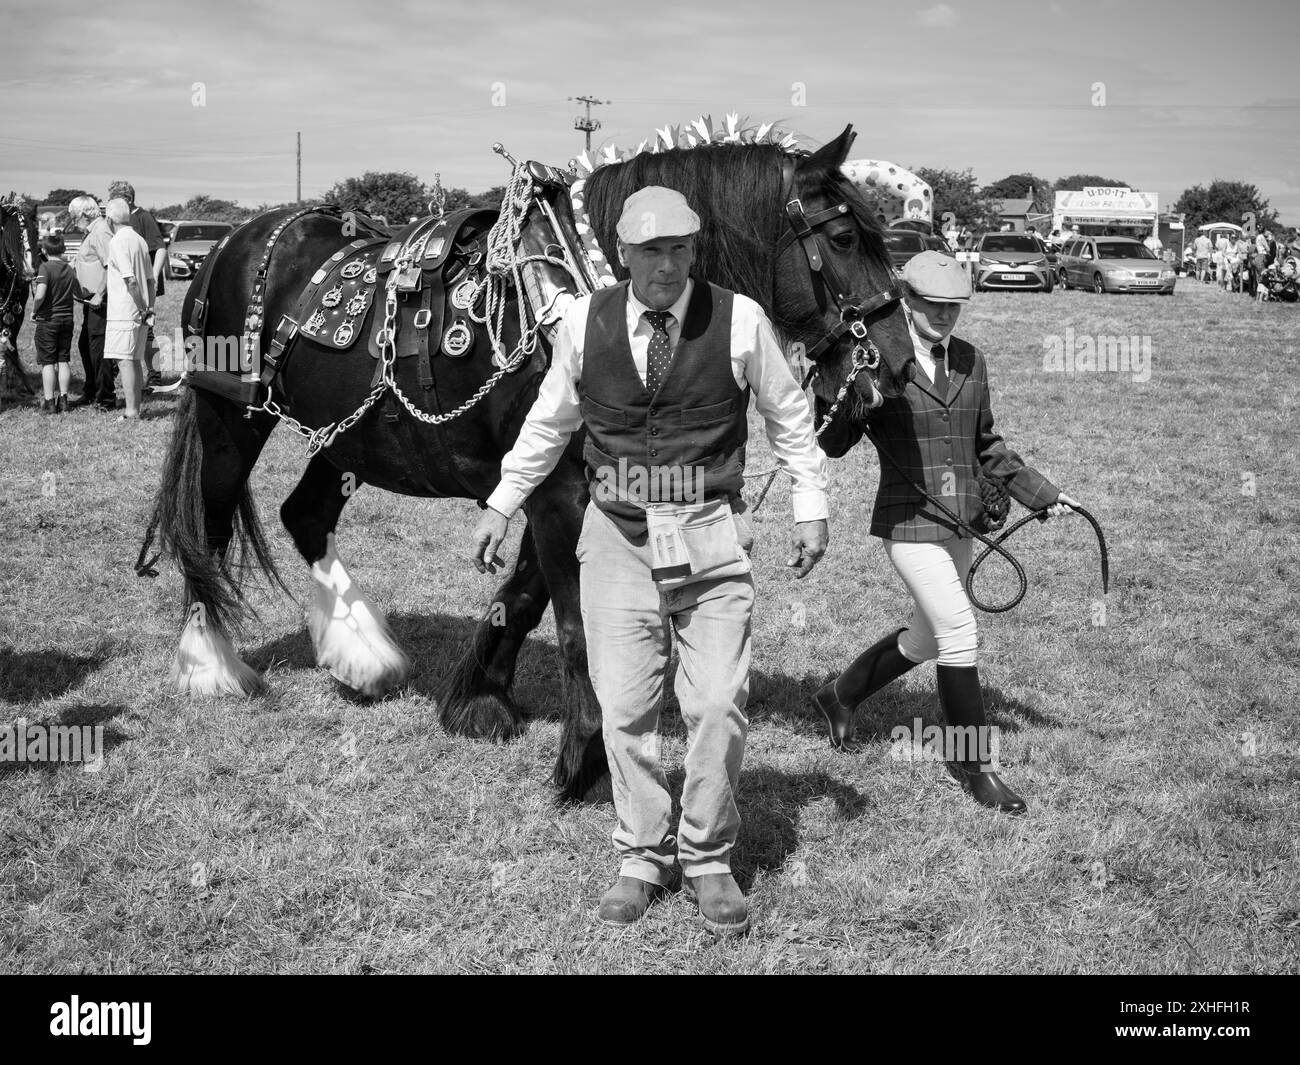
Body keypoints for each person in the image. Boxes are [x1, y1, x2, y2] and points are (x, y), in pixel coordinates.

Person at [467, 187, 830, 937]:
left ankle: (706, 855)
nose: (667, 265)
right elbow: (550, 421)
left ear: (695, 250)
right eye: (651, 251)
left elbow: (789, 414)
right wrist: (503, 502)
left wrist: (810, 502)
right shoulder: (583, 321)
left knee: (718, 702)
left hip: (710, 531)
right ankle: (640, 855)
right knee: (624, 708)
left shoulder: (740, 319)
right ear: (624, 254)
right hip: (616, 537)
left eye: (680, 249)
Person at [811, 252, 1080, 815]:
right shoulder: (877, 358)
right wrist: (845, 393)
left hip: (961, 518)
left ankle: (840, 694)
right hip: (907, 520)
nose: (944, 315)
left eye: (954, 306)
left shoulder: (971, 358)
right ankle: (975, 765)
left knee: (927, 639)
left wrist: (1044, 494)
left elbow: (987, 444)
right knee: (959, 632)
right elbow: (832, 444)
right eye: (932, 304)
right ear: (906, 300)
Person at [106, 180, 166, 388]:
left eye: (114, 198)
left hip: (142, 281)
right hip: (126, 282)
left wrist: (154, 275)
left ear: (128, 199)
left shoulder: (142, 217)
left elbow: (160, 247)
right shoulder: (118, 219)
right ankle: (120, 370)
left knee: (147, 332)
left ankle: (154, 374)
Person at [103, 197, 155, 420]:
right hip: (141, 309)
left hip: (125, 310)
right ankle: (135, 408)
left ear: (109, 219)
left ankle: (131, 411)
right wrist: (149, 307)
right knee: (134, 360)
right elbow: (151, 281)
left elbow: (130, 280)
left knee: (124, 361)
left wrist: (143, 308)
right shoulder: (139, 240)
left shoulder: (117, 242)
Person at [67, 196, 115, 410]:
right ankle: (91, 391)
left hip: (100, 301)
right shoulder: (91, 232)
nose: (73, 222)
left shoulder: (100, 232)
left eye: (74, 217)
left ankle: (105, 398)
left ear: (85, 214)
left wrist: (100, 294)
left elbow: (111, 266)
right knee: (86, 345)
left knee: (98, 349)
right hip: (90, 300)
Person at [30, 233, 78, 413]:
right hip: (67, 320)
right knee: (63, 359)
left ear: (43, 250)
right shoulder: (69, 268)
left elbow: (40, 294)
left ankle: (49, 402)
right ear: (63, 249)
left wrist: (34, 310)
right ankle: (64, 401)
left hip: (48, 320)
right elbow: (77, 291)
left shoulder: (45, 268)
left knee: (48, 362)